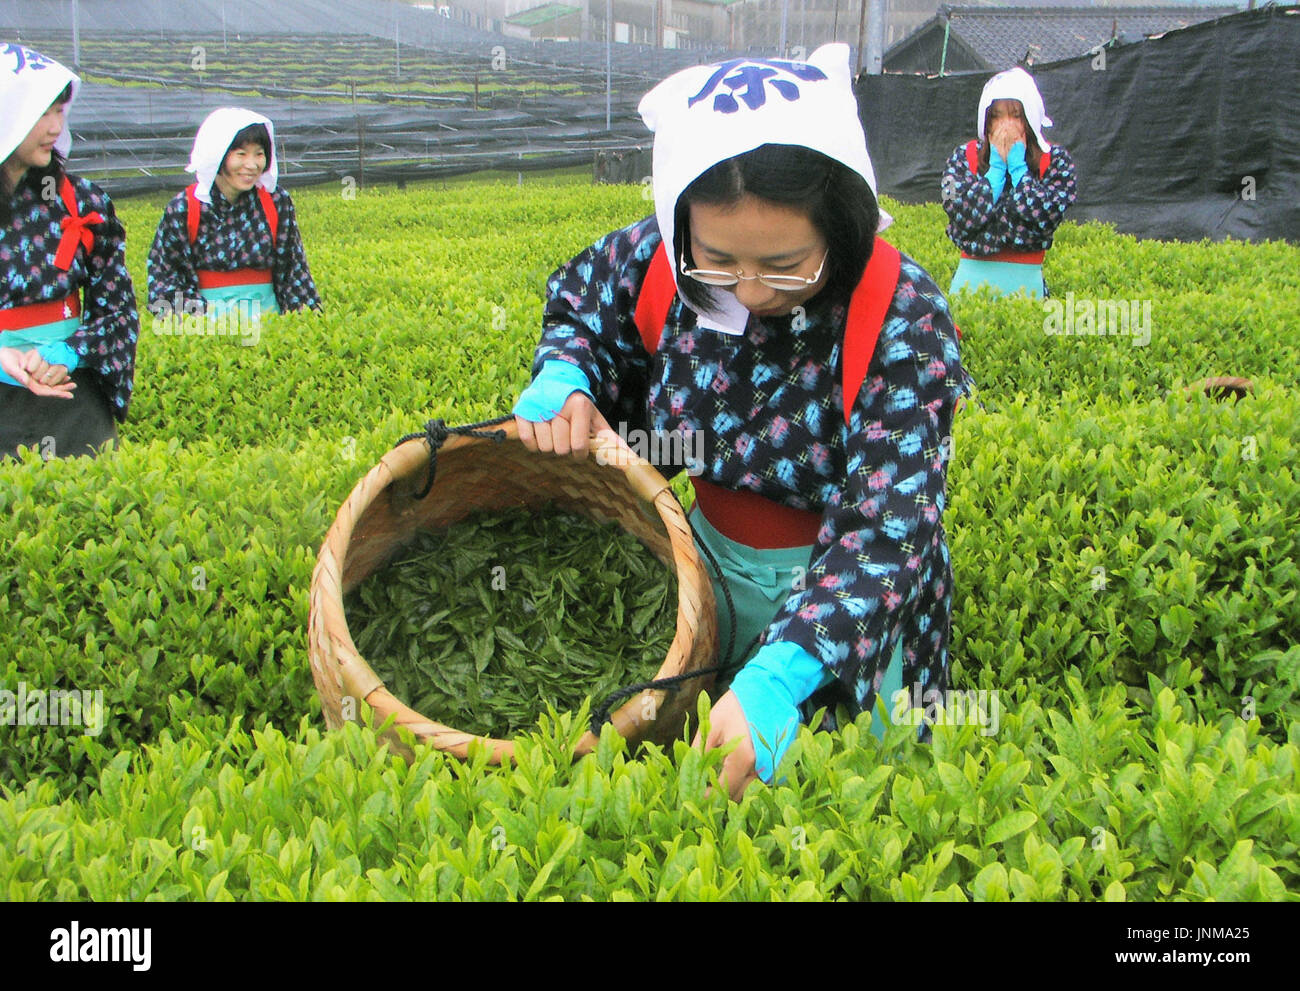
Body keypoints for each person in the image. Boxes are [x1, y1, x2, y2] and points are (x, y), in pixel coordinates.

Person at [512, 45, 970, 799]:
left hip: (845, 599)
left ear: (844, 225)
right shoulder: (660, 257)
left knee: (849, 799)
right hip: (708, 570)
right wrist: (566, 373)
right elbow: (585, 304)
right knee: (698, 781)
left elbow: (891, 525)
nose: (752, 290)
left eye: (788, 265)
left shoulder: (901, 310)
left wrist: (783, 673)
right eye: (719, 262)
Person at [1, 43, 140, 460]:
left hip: (71, 400)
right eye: (42, 112)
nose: (54, 127)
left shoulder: (83, 202)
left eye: (60, 111)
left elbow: (118, 310)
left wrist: (68, 353)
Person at [146, 107, 320, 325]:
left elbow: (294, 271)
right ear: (218, 155)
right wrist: (194, 323)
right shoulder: (184, 207)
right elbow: (166, 276)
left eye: (259, 153)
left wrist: (306, 322)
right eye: (241, 154)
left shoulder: (276, 202)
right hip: (208, 325)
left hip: (268, 322)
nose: (252, 164)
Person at [942, 67, 1077, 298]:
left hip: (1027, 285)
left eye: (1015, 115)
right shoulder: (962, 157)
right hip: (969, 284)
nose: (1006, 125)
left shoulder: (1055, 161)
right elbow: (957, 212)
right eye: (997, 115)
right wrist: (994, 173)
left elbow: (1045, 217)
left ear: (1030, 119)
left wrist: (1019, 171)